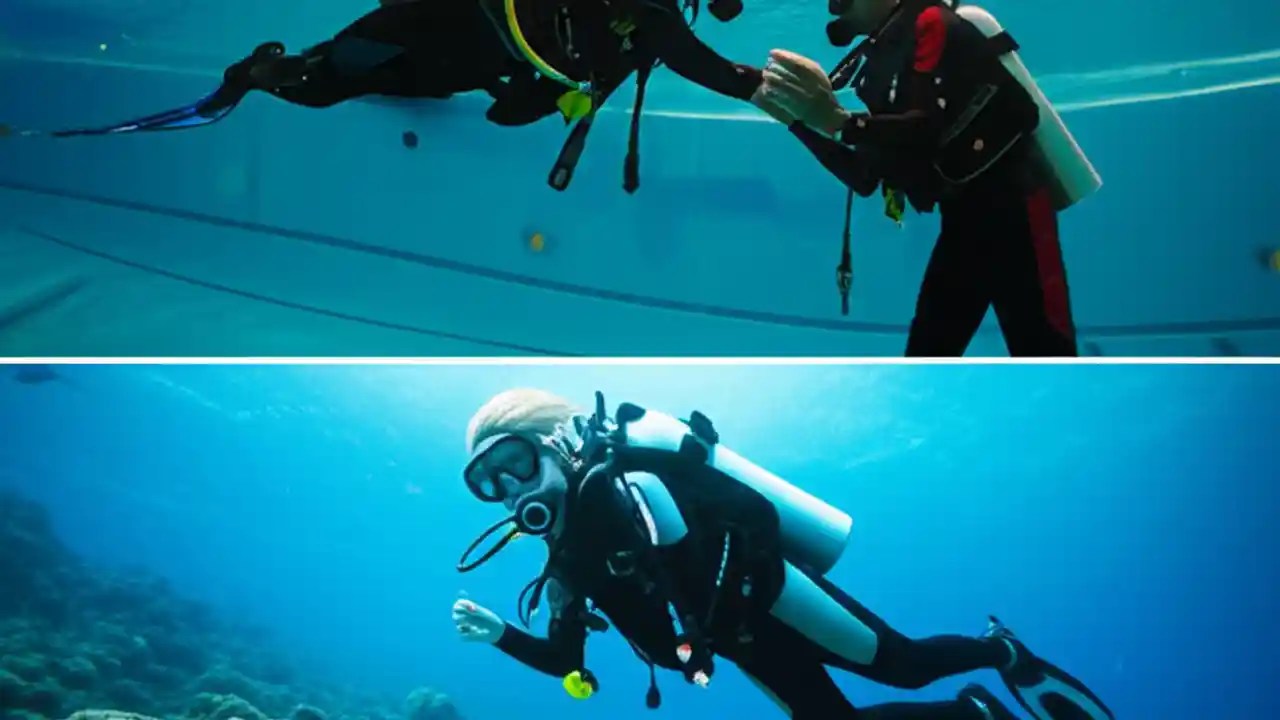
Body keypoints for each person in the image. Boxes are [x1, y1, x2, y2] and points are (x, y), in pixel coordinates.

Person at [450, 388, 1114, 720]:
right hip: (737, 644)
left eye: (516, 464)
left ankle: (1002, 650)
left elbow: (719, 541)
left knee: (905, 667)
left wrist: (696, 627)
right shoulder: (564, 565)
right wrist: (502, 634)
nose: (510, 491)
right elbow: (566, 661)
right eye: (489, 485)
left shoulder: (631, 486)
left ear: (554, 447)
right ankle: (972, 714)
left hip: (775, 597)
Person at [21, 0, 767, 193]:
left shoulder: (652, 22)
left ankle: (266, 76)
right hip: (449, 33)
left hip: (465, 54)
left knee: (347, 76)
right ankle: (252, 77)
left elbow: (681, 54)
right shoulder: (656, 22)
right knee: (334, 76)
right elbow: (697, 61)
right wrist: (765, 88)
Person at [751, 0, 1103, 357]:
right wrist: (796, 120)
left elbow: (924, 128)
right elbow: (865, 175)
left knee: (1044, 349)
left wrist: (839, 123)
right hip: (963, 225)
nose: (833, 5)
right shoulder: (881, 63)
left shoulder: (933, 23)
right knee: (933, 350)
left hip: (1015, 212)